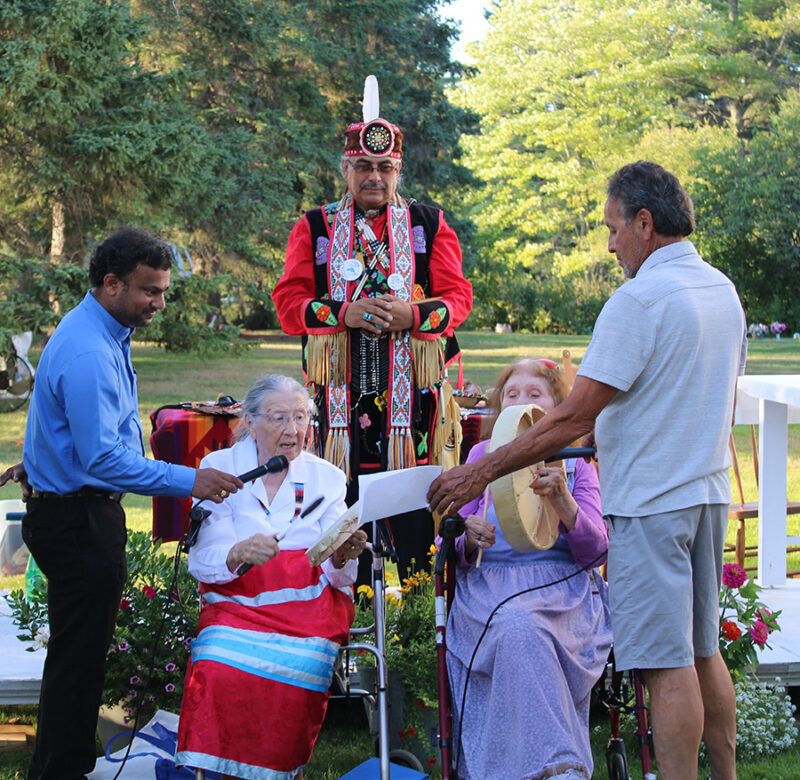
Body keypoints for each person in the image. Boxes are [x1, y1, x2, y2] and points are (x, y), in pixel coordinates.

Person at [429, 161, 746, 780]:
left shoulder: (640, 299)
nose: (610, 243)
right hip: (709, 491)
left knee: (667, 663)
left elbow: (572, 417)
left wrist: (477, 473)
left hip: (654, 503)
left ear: (645, 223)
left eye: (613, 228)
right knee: (706, 652)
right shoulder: (721, 289)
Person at [0, 227, 242, 780]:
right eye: (149, 291)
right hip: (79, 519)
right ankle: (63, 771)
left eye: (162, 291)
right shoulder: (89, 349)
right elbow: (101, 460)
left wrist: (35, 465)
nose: (159, 303)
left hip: (69, 510)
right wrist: (192, 479)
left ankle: (55, 769)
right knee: (78, 668)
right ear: (111, 284)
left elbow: (65, 433)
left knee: (73, 662)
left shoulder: (98, 327)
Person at [272, 77, 472, 581]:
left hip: (415, 408)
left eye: (385, 167)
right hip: (337, 407)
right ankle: (341, 609)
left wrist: (413, 315)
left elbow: (458, 297)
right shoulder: (315, 228)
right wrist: (345, 313)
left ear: (398, 169)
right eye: (363, 166)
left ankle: (413, 622)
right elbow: (287, 302)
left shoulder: (428, 225)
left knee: (412, 521)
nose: (374, 177)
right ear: (346, 169)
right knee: (340, 513)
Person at [175, 374, 366, 779]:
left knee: (298, 666)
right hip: (236, 601)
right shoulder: (220, 468)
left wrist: (344, 555)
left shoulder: (327, 477)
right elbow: (202, 557)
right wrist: (237, 552)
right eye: (279, 418)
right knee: (219, 664)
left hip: (309, 604)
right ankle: (224, 772)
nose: (293, 430)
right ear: (249, 420)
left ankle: (282, 772)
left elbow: (337, 574)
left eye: (301, 417)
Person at [443, 358, 611, 780]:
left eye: (534, 395)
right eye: (512, 394)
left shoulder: (575, 462)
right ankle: (556, 766)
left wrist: (563, 501)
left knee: (524, 626)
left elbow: (595, 551)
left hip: (562, 590)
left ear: (555, 408)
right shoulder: (482, 457)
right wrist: (465, 536)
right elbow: (445, 541)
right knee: (518, 625)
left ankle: (537, 766)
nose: (520, 402)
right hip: (488, 588)